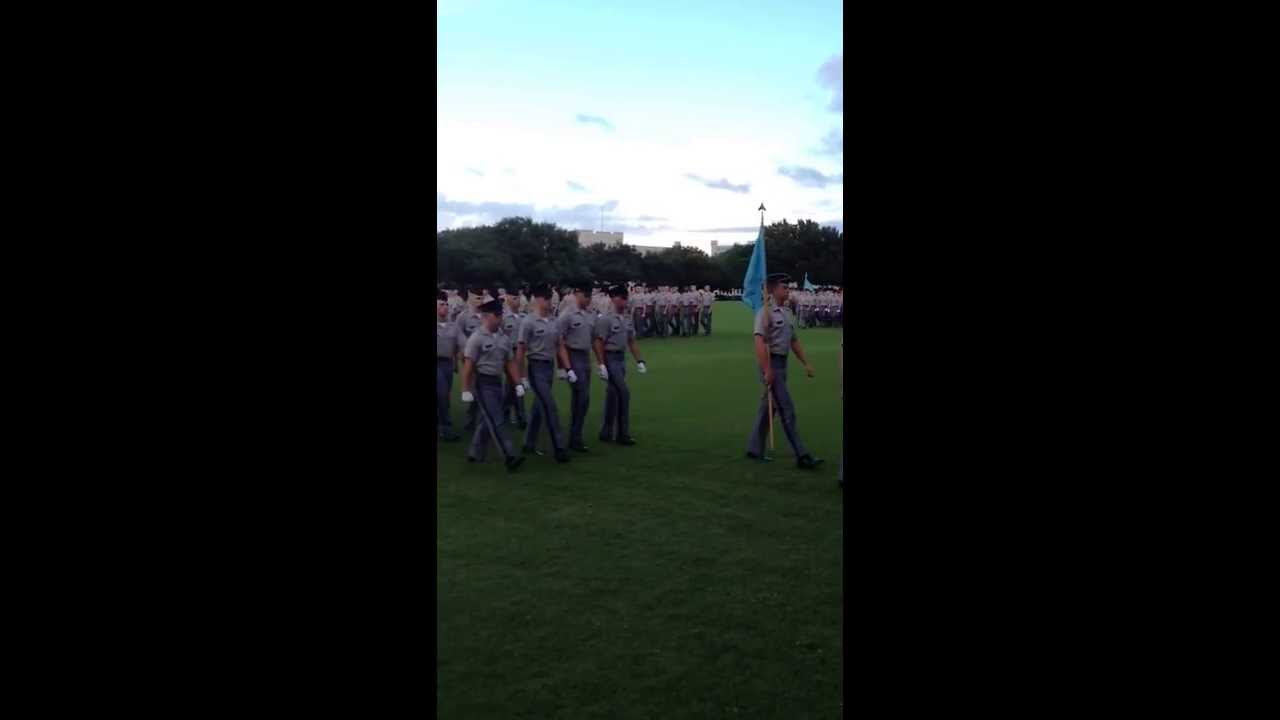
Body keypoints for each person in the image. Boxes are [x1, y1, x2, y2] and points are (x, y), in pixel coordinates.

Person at [746, 273, 823, 470]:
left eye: (788, 287)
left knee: (768, 408)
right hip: (771, 365)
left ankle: (754, 448)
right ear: (772, 290)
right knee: (786, 409)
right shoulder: (764, 313)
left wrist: (806, 363)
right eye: (784, 287)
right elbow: (759, 343)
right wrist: (767, 369)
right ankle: (802, 455)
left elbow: (794, 341)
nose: (787, 290)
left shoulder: (787, 312)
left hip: (783, 363)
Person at [461, 298, 526, 472]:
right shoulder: (476, 338)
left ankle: (474, 452)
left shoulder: (504, 338)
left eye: (501, 314)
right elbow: (468, 365)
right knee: (497, 419)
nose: (500, 318)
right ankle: (510, 455)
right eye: (497, 315)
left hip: (498, 382)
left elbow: (510, 363)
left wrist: (517, 383)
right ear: (487, 316)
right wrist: (466, 389)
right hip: (483, 383)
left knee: (486, 419)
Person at [517, 284, 572, 463]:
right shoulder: (528, 322)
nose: (551, 303)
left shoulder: (554, 321)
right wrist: (522, 376)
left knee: (539, 407)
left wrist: (567, 368)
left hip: (549, 367)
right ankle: (560, 447)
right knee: (549, 406)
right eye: (549, 299)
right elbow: (521, 350)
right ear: (540, 299)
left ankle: (529, 442)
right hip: (536, 367)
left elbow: (560, 345)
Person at [594, 285, 646, 445]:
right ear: (614, 298)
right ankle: (622, 434)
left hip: (621, 358)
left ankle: (606, 431)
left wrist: (640, 360)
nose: (625, 301)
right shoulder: (605, 319)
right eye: (622, 298)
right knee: (623, 393)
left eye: (626, 298)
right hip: (610, 358)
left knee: (612, 396)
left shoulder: (627, 319)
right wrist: (601, 364)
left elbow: (631, 341)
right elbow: (598, 343)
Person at [558, 283, 596, 452]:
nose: (588, 299)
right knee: (583, 397)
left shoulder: (590, 314)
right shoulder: (567, 315)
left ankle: (575, 436)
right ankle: (575, 437)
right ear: (576, 294)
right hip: (572, 357)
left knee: (580, 400)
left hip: (585, 357)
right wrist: (564, 367)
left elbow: (593, 339)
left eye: (590, 295)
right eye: (585, 295)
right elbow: (559, 341)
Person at [436, 291, 465, 442]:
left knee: (444, 396)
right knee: (442, 395)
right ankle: (446, 429)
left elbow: (463, 345)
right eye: (442, 304)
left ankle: (442, 425)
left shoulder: (453, 327)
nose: (446, 307)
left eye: (446, 304)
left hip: (447, 364)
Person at [500, 291, 529, 428]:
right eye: (514, 298)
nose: (517, 300)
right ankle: (518, 416)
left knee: (515, 386)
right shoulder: (504, 318)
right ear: (508, 299)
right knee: (514, 384)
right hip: (509, 354)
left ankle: (512, 414)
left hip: (521, 353)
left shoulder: (524, 317)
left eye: (518, 297)